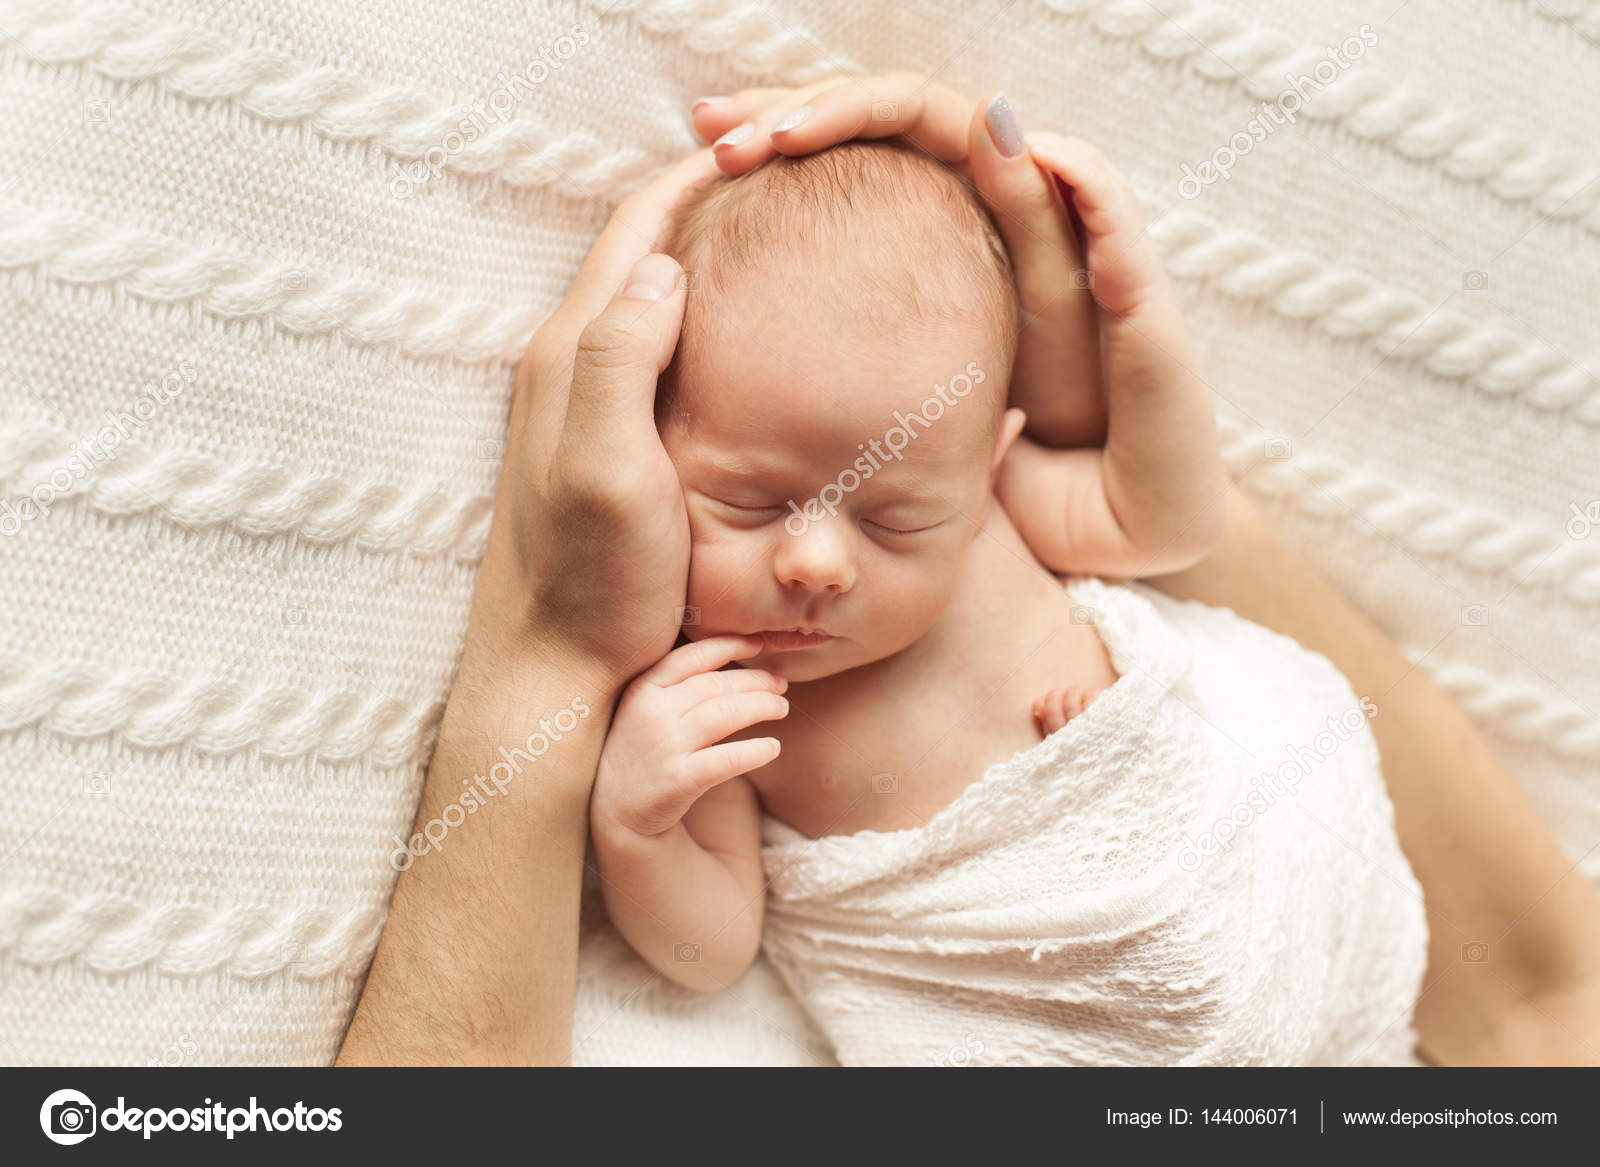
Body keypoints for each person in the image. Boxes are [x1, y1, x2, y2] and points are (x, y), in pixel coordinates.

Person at [337, 75, 1600, 1067]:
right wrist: (640, 818)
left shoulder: (989, 505)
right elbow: (711, 950)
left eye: (889, 515)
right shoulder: (713, 683)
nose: (817, 560)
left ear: (988, 456)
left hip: (1239, 874)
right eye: (748, 500)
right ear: (655, 446)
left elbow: (1162, 521)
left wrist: (1133, 318)